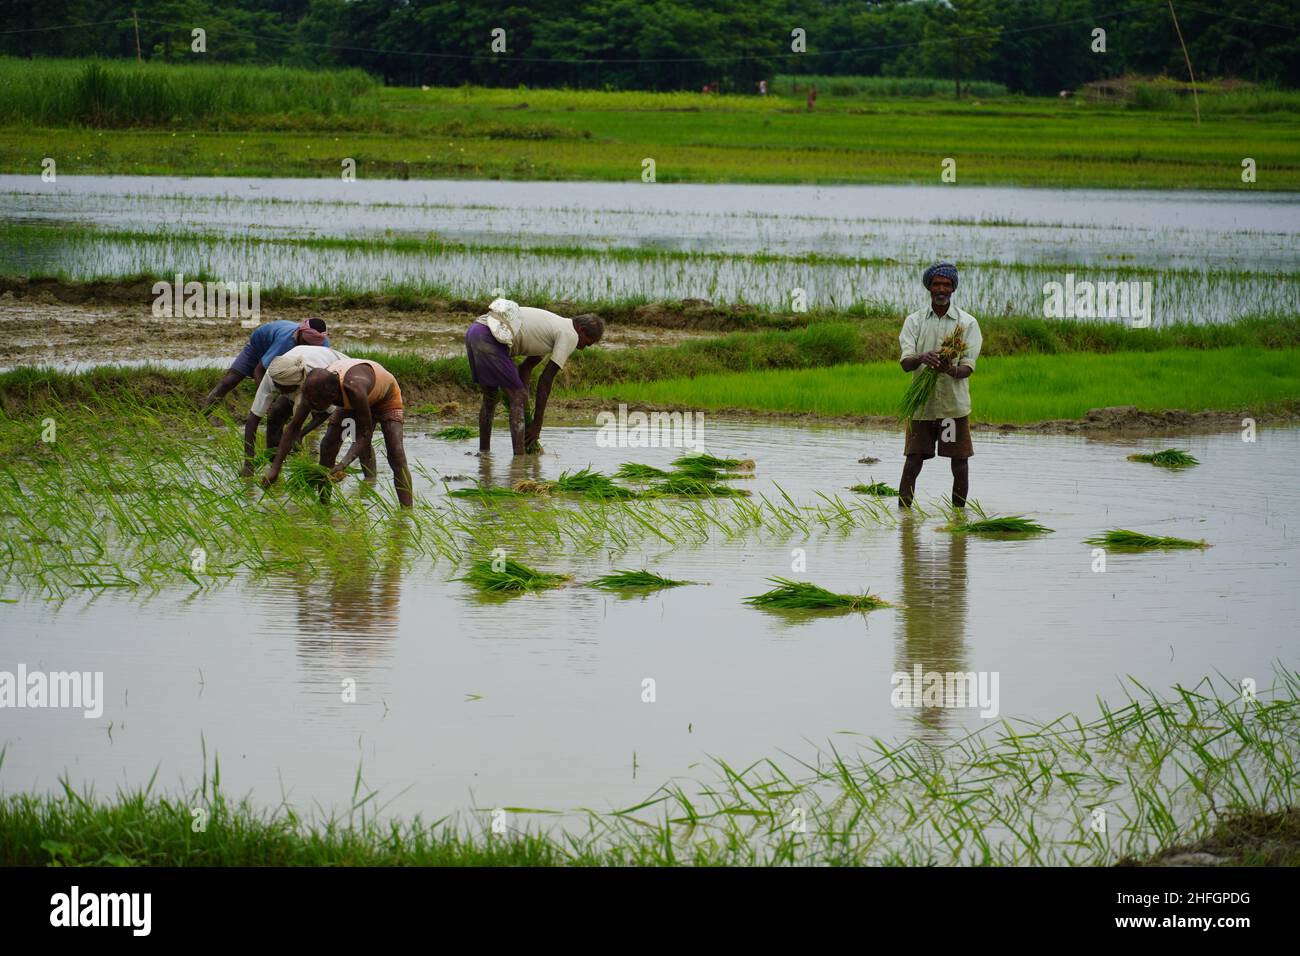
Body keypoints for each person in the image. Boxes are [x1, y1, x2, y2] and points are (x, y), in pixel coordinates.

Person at [263, 358, 412, 507]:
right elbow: (293, 427)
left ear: (332, 396)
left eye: (315, 403)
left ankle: (406, 513)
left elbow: (364, 435)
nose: (312, 407)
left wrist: (343, 464)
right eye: (310, 401)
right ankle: (324, 505)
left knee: (396, 453)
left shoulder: (354, 390)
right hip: (353, 395)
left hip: (386, 397)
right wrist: (275, 468)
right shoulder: (314, 390)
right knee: (328, 444)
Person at [897, 262, 982, 509]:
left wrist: (949, 369)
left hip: (952, 409)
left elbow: (968, 367)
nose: (941, 289)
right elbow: (905, 363)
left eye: (946, 284)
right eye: (936, 284)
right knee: (913, 461)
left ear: (953, 288)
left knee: (959, 462)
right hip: (922, 407)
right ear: (929, 288)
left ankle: (958, 517)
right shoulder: (915, 321)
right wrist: (922, 357)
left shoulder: (967, 324)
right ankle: (903, 517)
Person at [465, 305, 604, 455]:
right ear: (581, 330)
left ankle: (484, 453)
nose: (583, 348)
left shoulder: (552, 328)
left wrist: (526, 411)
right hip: (490, 338)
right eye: (587, 343)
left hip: (475, 331)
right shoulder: (570, 334)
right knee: (517, 396)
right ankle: (519, 460)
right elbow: (546, 380)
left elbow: (525, 369)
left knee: (491, 398)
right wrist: (537, 425)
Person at [240, 345, 348, 478]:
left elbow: (328, 411)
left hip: (342, 371)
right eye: (276, 385)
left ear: (296, 385)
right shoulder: (274, 375)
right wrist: (248, 464)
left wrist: (302, 433)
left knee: (350, 424)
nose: (277, 390)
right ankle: (273, 464)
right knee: (276, 414)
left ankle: (368, 476)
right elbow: (253, 419)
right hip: (300, 366)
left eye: (281, 388)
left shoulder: (317, 380)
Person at [201, 318, 329, 415]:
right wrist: (265, 401)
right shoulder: (285, 341)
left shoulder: (323, 345)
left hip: (286, 356)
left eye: (312, 346)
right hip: (258, 347)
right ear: (300, 333)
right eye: (305, 343)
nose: (308, 347)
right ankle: (204, 417)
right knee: (229, 382)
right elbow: (259, 370)